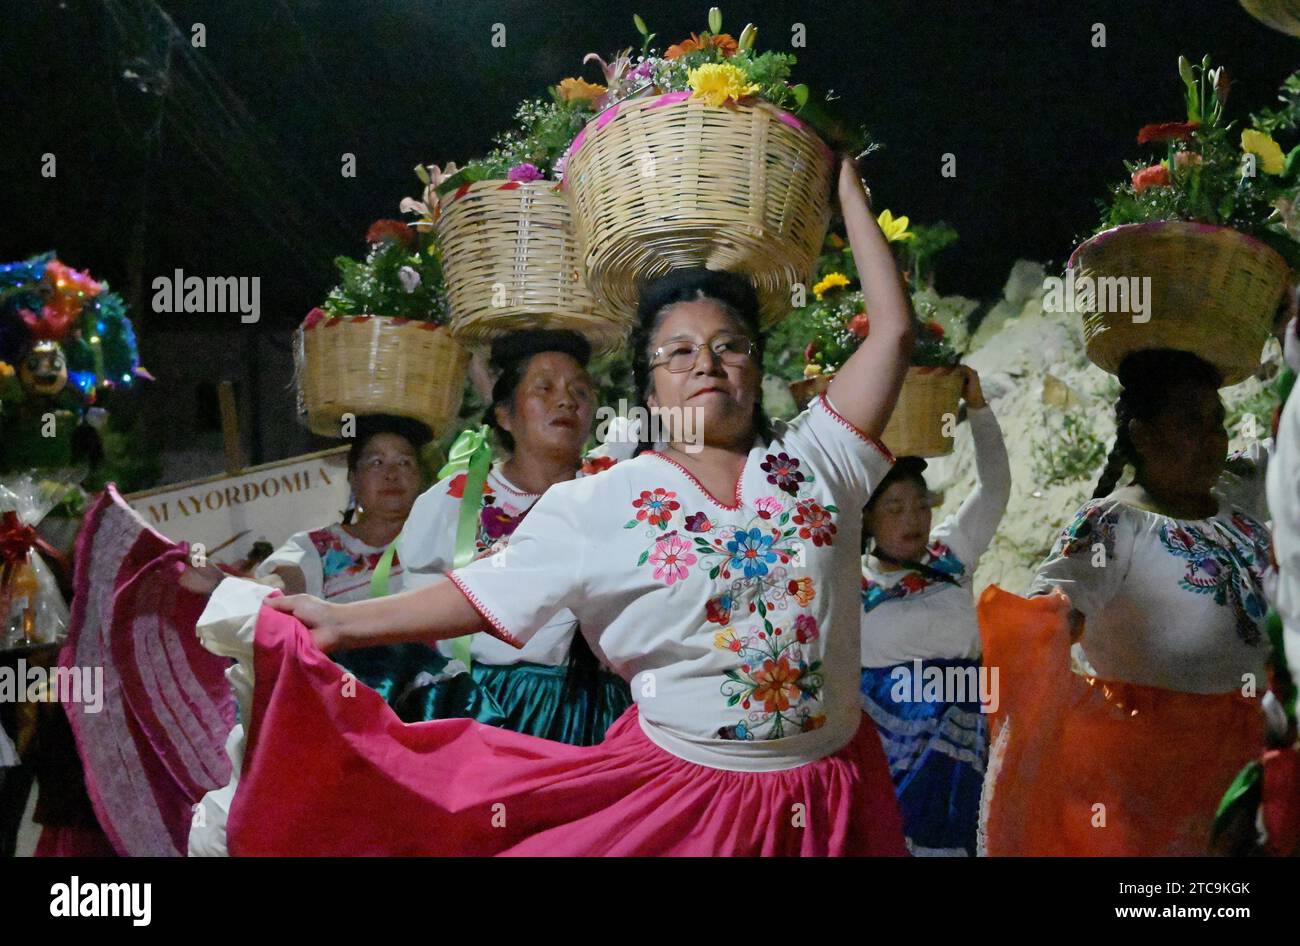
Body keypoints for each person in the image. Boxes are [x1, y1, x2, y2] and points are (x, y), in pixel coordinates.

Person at [191, 154, 915, 856]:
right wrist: (341, 623)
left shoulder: (820, 458)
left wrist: (842, 183)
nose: (707, 362)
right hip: (696, 805)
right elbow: (477, 593)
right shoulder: (599, 500)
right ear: (648, 385)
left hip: (836, 793)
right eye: (679, 351)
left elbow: (892, 331)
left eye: (730, 345)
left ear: (756, 366)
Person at [980, 347, 1272, 856]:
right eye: (1190, 422)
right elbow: (1044, 616)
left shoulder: (1239, 494)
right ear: (1143, 435)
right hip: (1159, 789)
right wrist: (1057, 627)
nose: (1211, 439)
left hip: (1261, 766)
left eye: (1217, 422)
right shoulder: (1111, 525)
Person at [396, 329, 632, 745]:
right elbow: (420, 628)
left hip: (604, 713)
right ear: (504, 414)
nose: (566, 401)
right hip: (492, 712)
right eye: (544, 388)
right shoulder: (451, 504)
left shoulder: (621, 487)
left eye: (580, 389)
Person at [182, 413, 441, 704]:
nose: (392, 474)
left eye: (404, 462)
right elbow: (280, 584)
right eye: (376, 463)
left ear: (419, 476)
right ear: (353, 478)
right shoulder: (317, 548)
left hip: (438, 696)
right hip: (355, 703)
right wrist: (223, 582)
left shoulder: (446, 536)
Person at [858, 366, 1009, 855]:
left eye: (920, 505)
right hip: (886, 763)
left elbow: (995, 489)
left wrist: (979, 409)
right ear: (868, 519)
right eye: (895, 507)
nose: (913, 519)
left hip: (966, 751)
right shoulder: (848, 582)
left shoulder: (950, 555)